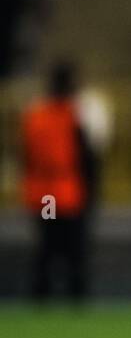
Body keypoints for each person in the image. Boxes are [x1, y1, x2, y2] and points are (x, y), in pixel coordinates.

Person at [22, 61, 92, 302]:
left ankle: (41, 296)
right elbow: (85, 156)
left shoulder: (36, 116)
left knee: (46, 248)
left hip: (42, 194)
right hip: (66, 192)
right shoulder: (73, 115)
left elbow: (26, 156)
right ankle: (76, 297)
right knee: (73, 250)